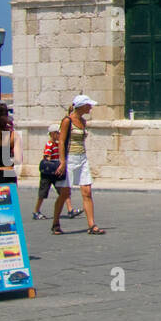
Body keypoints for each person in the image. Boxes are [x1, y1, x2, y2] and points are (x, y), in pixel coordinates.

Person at [54, 95, 104, 235]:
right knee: (65, 193)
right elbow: (61, 142)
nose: (91, 108)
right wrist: (62, 161)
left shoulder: (83, 121)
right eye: (88, 105)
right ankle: (56, 222)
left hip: (82, 158)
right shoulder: (67, 121)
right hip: (70, 159)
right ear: (82, 106)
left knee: (87, 192)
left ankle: (91, 225)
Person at [32, 124, 79, 220]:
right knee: (43, 193)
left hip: (56, 172)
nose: (60, 135)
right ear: (53, 134)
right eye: (58, 133)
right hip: (48, 173)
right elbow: (47, 157)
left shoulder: (58, 144)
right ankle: (36, 211)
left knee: (64, 191)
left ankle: (70, 210)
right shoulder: (49, 144)